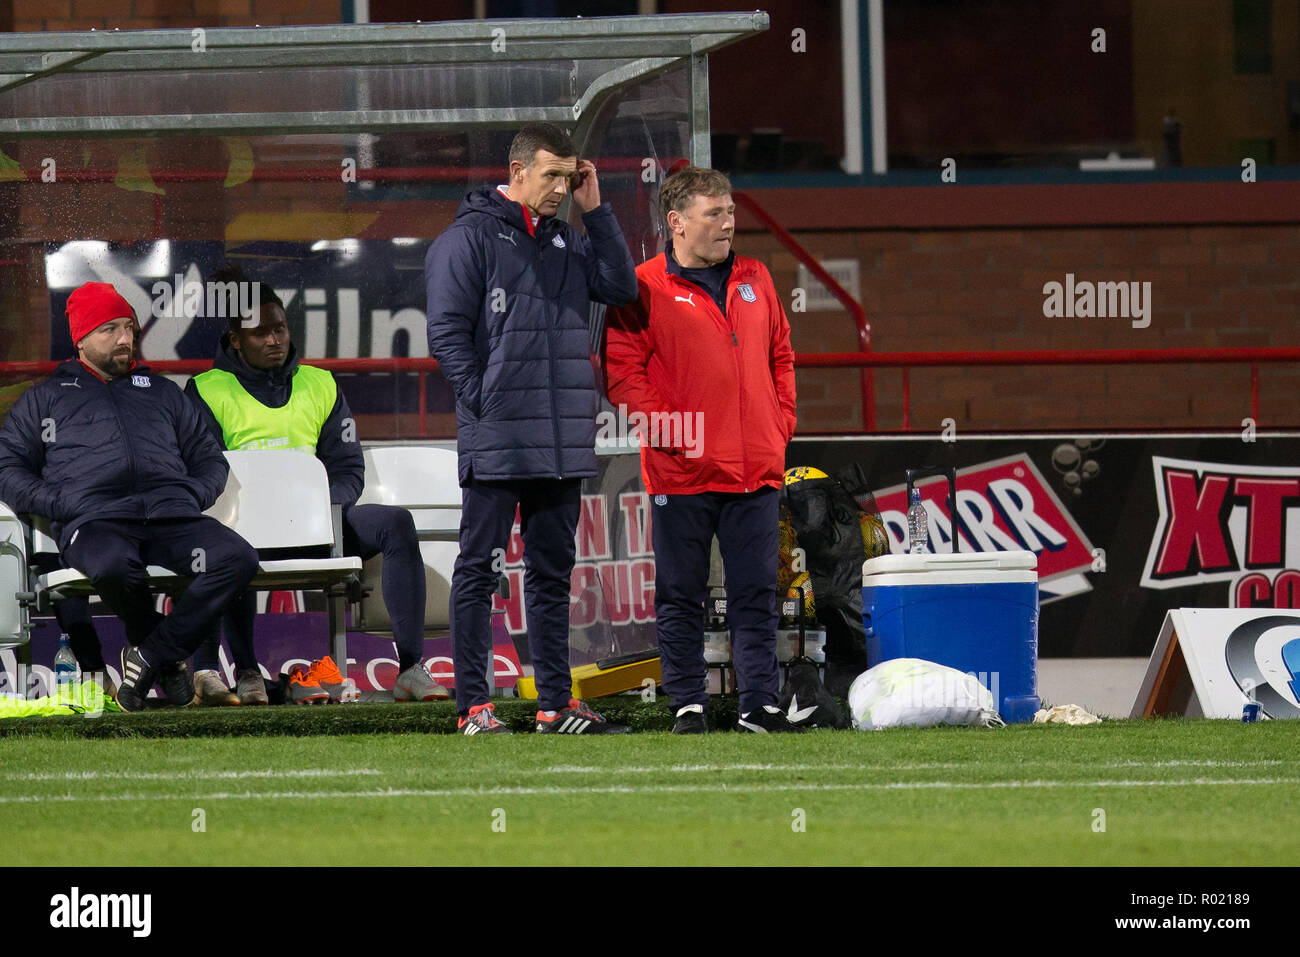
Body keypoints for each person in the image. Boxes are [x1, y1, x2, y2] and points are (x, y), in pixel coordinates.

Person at [425, 123, 638, 734]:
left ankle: (555, 704)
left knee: (550, 576)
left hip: (563, 441)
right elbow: (447, 336)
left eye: (568, 178)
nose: (559, 188)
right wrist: (486, 407)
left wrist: (595, 211)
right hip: (500, 439)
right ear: (516, 171)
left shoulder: (570, 240)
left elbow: (621, 287)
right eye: (551, 176)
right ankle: (474, 706)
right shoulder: (467, 238)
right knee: (480, 571)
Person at [185, 268, 448, 705]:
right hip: (243, 531)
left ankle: (410, 669)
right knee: (220, 545)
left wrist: (309, 514)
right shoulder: (206, 390)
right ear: (235, 340)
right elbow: (203, 475)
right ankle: (245, 673)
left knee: (395, 523)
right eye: (260, 333)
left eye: (281, 328)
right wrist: (268, 515)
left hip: (317, 527)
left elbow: (348, 470)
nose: (275, 340)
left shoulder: (320, 383)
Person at [604, 166, 802, 733]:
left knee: (755, 595)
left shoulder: (757, 277)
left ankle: (759, 703)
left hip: (755, 468)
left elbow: (781, 357)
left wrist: (779, 424)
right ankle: (688, 703)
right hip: (681, 473)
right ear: (677, 222)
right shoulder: (640, 285)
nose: (728, 223)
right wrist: (677, 436)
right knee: (680, 594)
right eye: (714, 213)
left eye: (731, 212)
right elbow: (623, 377)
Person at [0, 281, 259, 711]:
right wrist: (64, 504)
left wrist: (190, 495)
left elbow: (211, 461)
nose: (126, 339)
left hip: (172, 518)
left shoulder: (162, 393)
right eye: (110, 329)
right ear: (81, 339)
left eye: (129, 328)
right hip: (97, 524)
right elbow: (7, 469)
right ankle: (169, 657)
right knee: (113, 566)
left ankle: (153, 653)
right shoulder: (43, 399)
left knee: (238, 559)